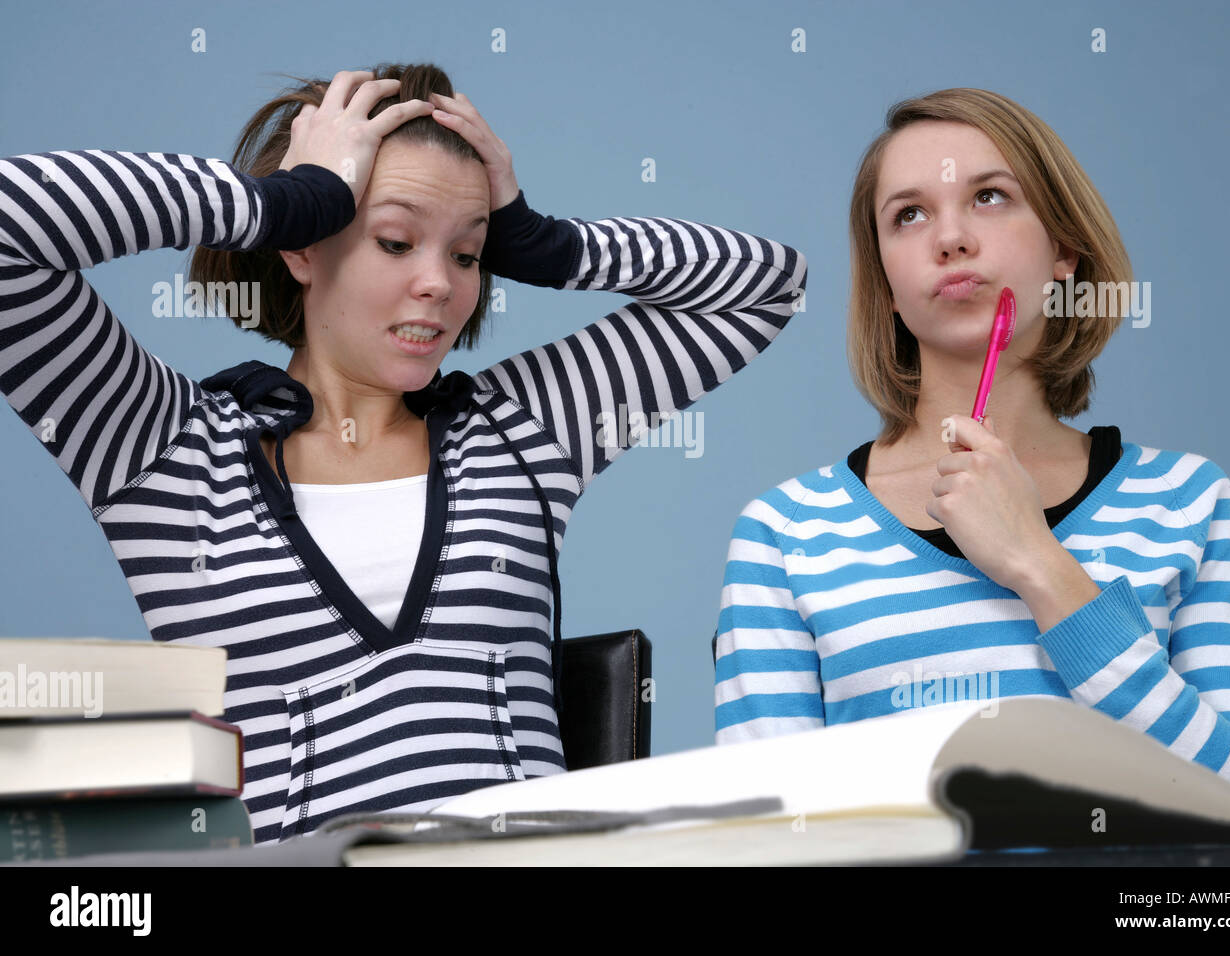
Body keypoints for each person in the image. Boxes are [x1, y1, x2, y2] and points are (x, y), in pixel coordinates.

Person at [0, 63, 807, 845]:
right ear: (302, 248)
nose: (441, 285)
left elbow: (769, 284)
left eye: (466, 254)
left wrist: (546, 244)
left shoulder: (520, 432)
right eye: (394, 241)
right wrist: (275, 202)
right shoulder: (162, 453)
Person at [712, 87, 1230, 809]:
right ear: (889, 285)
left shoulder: (1187, 501)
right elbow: (759, 839)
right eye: (910, 214)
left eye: (990, 197)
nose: (950, 238)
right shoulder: (786, 534)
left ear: (1065, 250)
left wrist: (1040, 566)